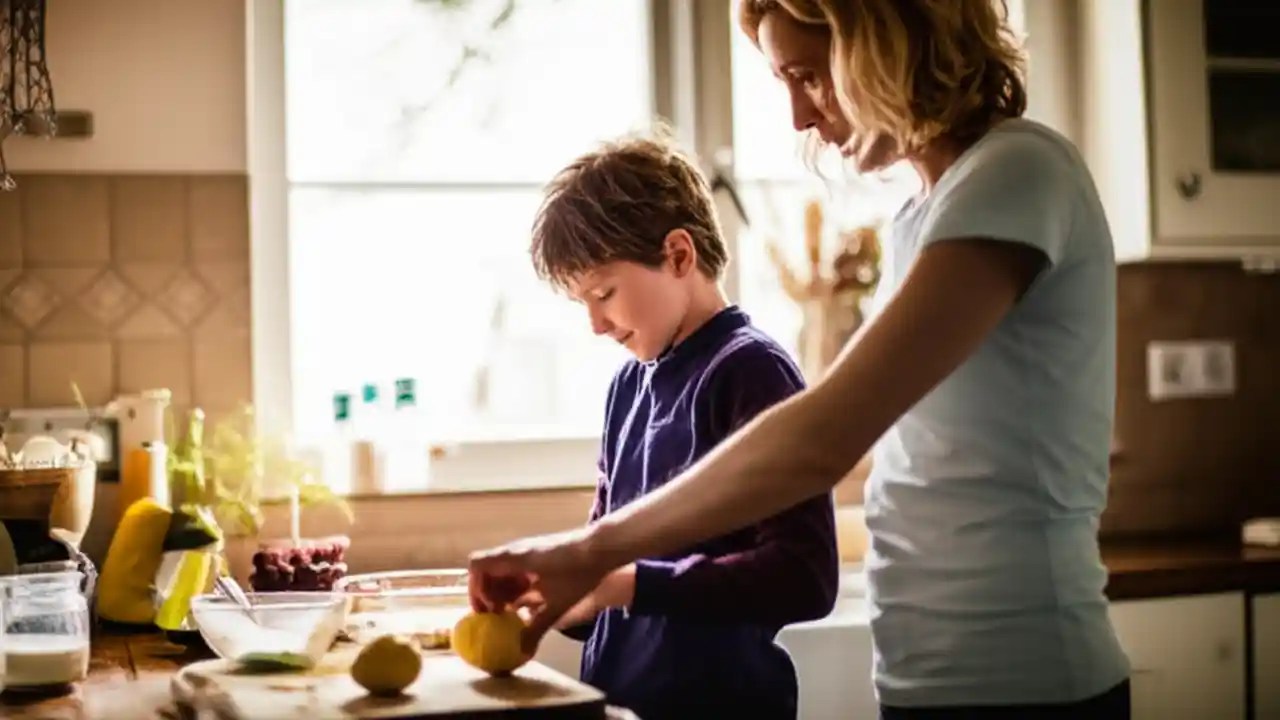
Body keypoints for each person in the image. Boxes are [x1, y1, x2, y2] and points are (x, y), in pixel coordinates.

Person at [470, 0, 1134, 717]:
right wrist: (593, 563)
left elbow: (823, 438)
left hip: (1030, 678)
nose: (798, 116)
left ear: (888, 42)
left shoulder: (1019, 173)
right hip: (934, 671)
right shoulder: (925, 213)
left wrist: (598, 551)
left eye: (809, 75)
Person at [520, 131, 839, 719]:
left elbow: (806, 577)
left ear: (678, 255)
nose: (596, 325)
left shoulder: (751, 372)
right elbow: (607, 581)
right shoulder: (627, 386)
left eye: (604, 293)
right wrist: (551, 598)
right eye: (581, 304)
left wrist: (624, 583)